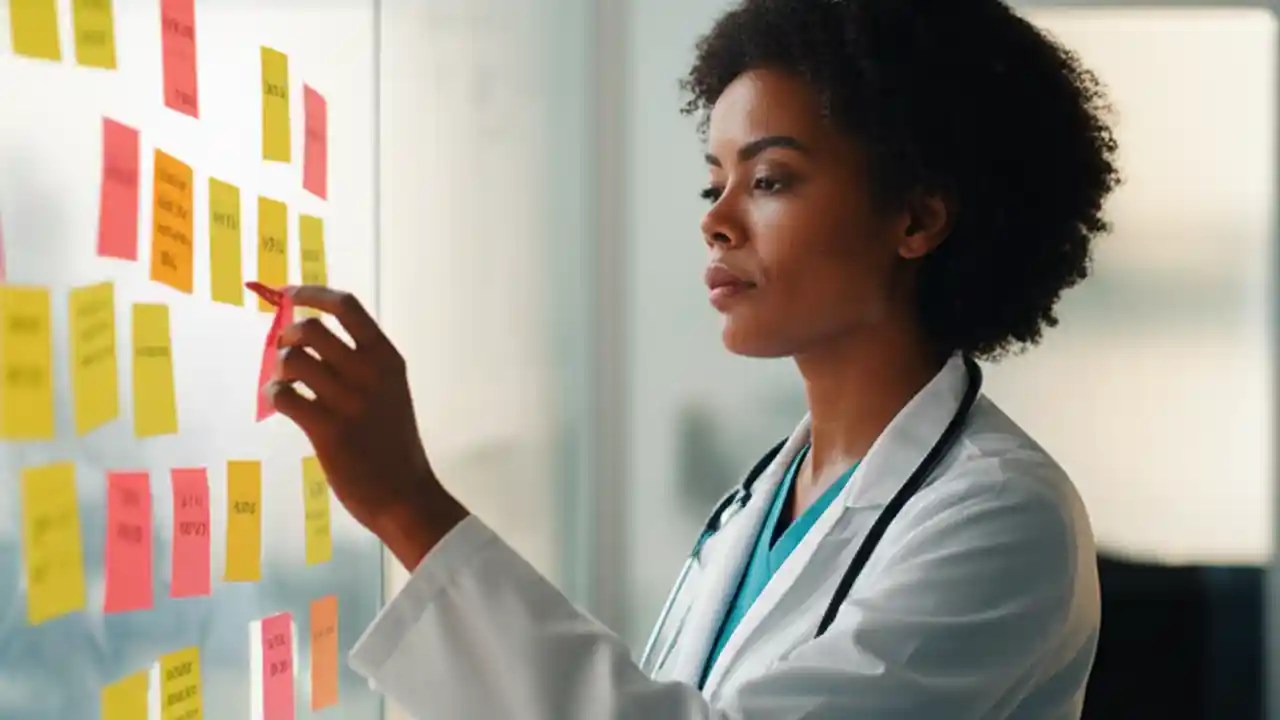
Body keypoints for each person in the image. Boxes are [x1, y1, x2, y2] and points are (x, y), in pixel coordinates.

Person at [264, 0, 1119, 716]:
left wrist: (408, 505)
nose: (717, 219)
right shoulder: (765, 502)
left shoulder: (1002, 518)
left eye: (771, 179)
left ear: (916, 221)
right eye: (714, 183)